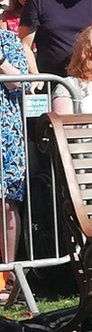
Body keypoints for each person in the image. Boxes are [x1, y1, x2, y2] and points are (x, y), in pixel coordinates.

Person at [0, 28, 28, 271]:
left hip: (5, 133)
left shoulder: (8, 41)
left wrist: (0, 60)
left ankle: (7, 273)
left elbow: (21, 84)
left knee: (7, 203)